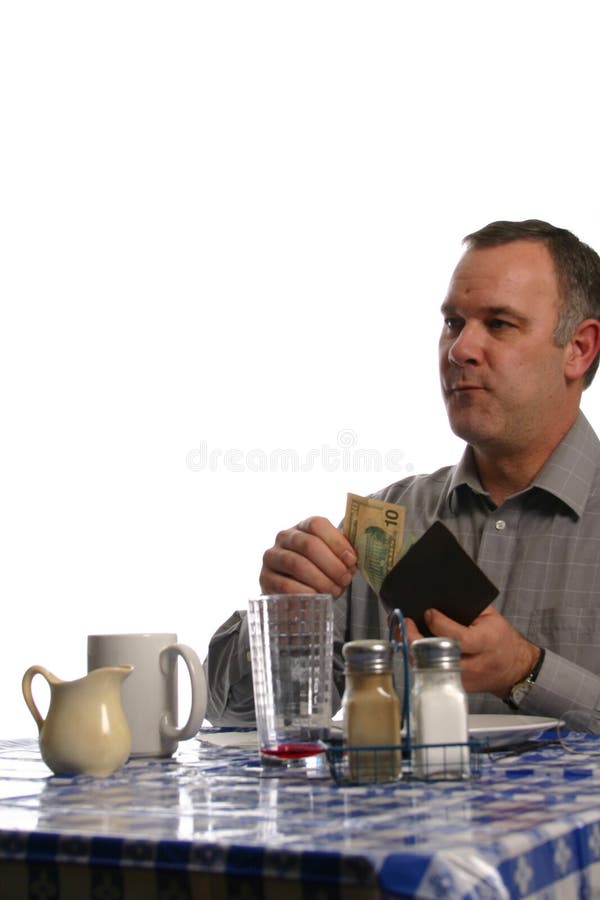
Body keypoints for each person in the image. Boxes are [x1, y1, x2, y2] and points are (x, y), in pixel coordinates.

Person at [204, 219, 600, 726]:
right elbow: (231, 718)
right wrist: (283, 617)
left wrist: (527, 673)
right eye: (453, 322)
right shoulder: (385, 522)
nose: (460, 350)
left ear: (579, 349)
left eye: (499, 324)